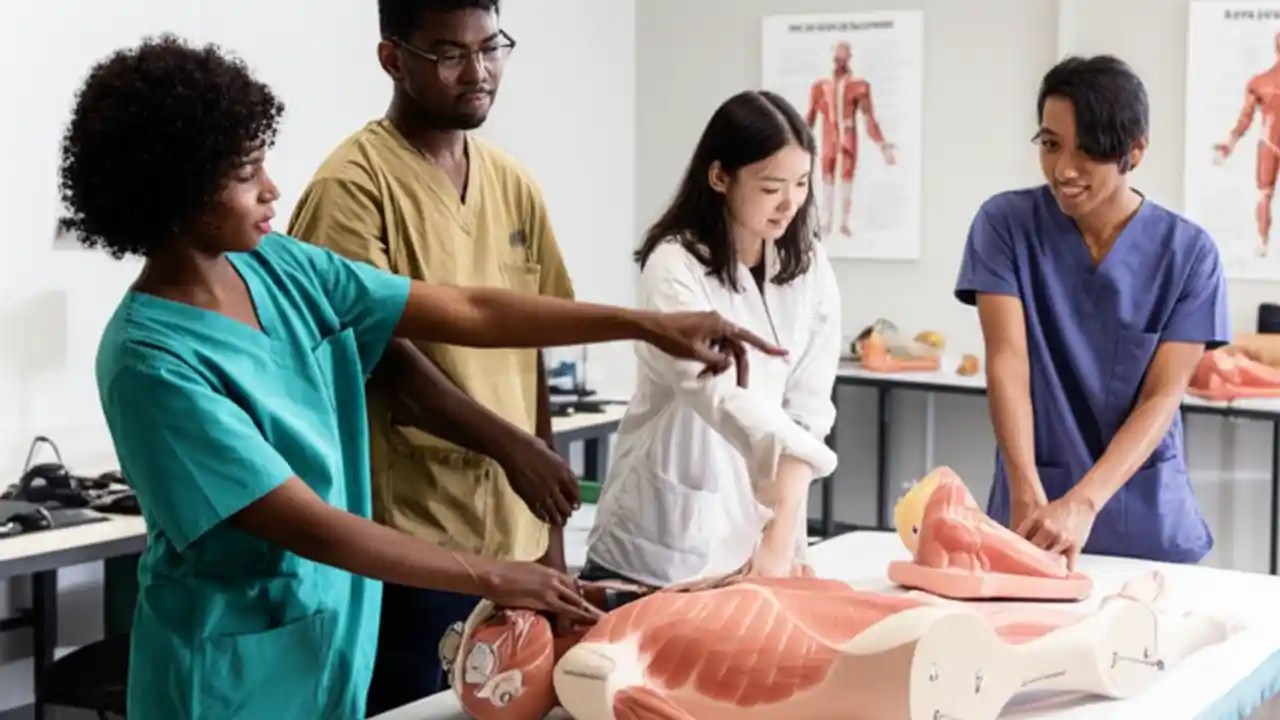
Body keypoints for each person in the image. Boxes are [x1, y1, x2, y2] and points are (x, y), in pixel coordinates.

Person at [64, 35, 782, 718]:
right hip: (223, 676)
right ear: (179, 192)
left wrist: (647, 324)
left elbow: (466, 308)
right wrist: (496, 573)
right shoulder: (150, 362)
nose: (272, 189)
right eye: (247, 174)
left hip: (328, 638)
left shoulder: (279, 267)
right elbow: (311, 527)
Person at [285, 0, 593, 710]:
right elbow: (382, 357)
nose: (479, 72)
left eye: (491, 48)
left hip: (515, 531)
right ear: (393, 59)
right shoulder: (353, 187)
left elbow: (530, 342)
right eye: (450, 54)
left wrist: (548, 529)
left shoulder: (513, 184)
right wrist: (512, 449)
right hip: (419, 537)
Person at [954, 55, 1230, 568]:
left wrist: (1083, 502)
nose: (1064, 170)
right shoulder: (1005, 225)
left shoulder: (1189, 254)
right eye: (1051, 145)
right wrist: (1025, 487)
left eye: (1089, 152)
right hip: (1031, 509)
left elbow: (1162, 395)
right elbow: (1008, 362)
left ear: (1135, 151)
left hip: (1146, 518)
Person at [582, 90, 843, 589]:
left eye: (802, 183)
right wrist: (792, 494)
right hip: (658, 546)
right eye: (772, 187)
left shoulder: (808, 264)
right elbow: (719, 394)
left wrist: (783, 531)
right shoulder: (673, 266)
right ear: (720, 177)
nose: (791, 202)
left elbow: (808, 404)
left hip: (760, 540)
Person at [805, 40, 896, 237]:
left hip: (848, 137)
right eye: (837, 58)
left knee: (847, 175)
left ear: (849, 59)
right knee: (827, 176)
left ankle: (844, 222)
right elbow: (810, 118)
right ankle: (827, 222)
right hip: (829, 139)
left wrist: (883, 145)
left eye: (843, 58)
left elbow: (869, 119)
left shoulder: (859, 86)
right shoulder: (820, 86)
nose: (839, 62)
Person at [1212, 30, 1280, 258]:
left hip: (1269, 141)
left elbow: (1245, 120)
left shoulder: (1260, 82)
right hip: (1269, 143)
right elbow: (1245, 119)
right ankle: (1262, 241)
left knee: (1264, 194)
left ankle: (1262, 242)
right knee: (1264, 195)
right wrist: (1228, 146)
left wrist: (1228, 146)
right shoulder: (1259, 82)